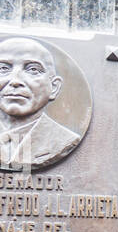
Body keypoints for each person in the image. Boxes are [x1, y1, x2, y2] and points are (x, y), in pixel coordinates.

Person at [0, 36, 81, 170]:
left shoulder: (64, 140)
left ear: (54, 87)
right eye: (3, 69)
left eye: (33, 70)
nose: (15, 80)